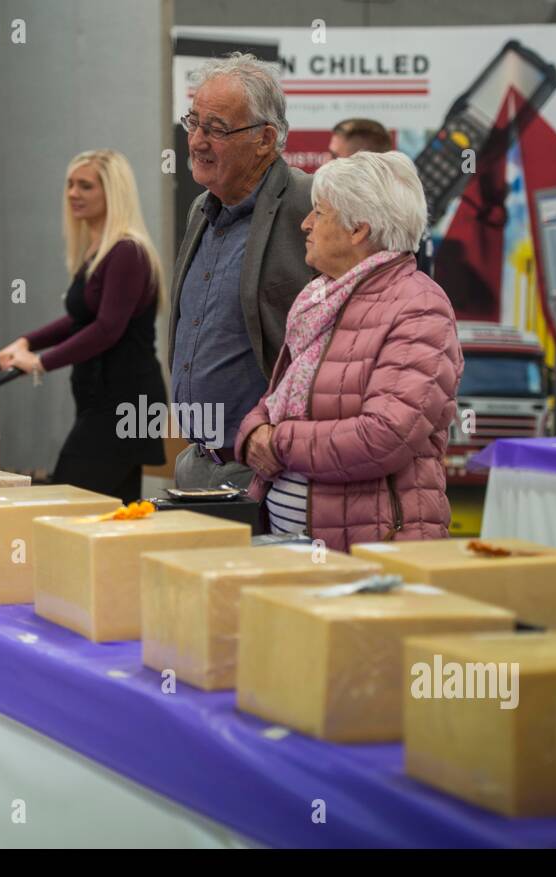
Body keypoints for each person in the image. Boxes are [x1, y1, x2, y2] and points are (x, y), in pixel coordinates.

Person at [236, 151, 463, 547]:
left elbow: (385, 436)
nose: (305, 224)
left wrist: (278, 442)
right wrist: (253, 430)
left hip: (371, 548)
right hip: (292, 543)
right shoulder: (319, 298)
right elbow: (278, 398)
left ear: (358, 229)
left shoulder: (419, 306)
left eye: (319, 214)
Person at [170, 52, 314, 491]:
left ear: (265, 139)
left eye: (216, 129)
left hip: (268, 473)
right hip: (197, 463)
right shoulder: (201, 209)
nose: (196, 141)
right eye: (193, 123)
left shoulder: (309, 204)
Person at [0, 150, 167, 503]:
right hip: (104, 400)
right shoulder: (98, 250)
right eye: (70, 184)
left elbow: (107, 328)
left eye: (85, 186)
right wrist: (27, 341)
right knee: (113, 513)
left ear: (112, 193)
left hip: (126, 405)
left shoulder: (126, 253)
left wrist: (42, 362)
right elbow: (79, 319)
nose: (73, 193)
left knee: (70, 500)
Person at [327, 117, 433, 276]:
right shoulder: (404, 210)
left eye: (334, 157)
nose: (326, 163)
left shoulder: (385, 222)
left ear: (362, 161)